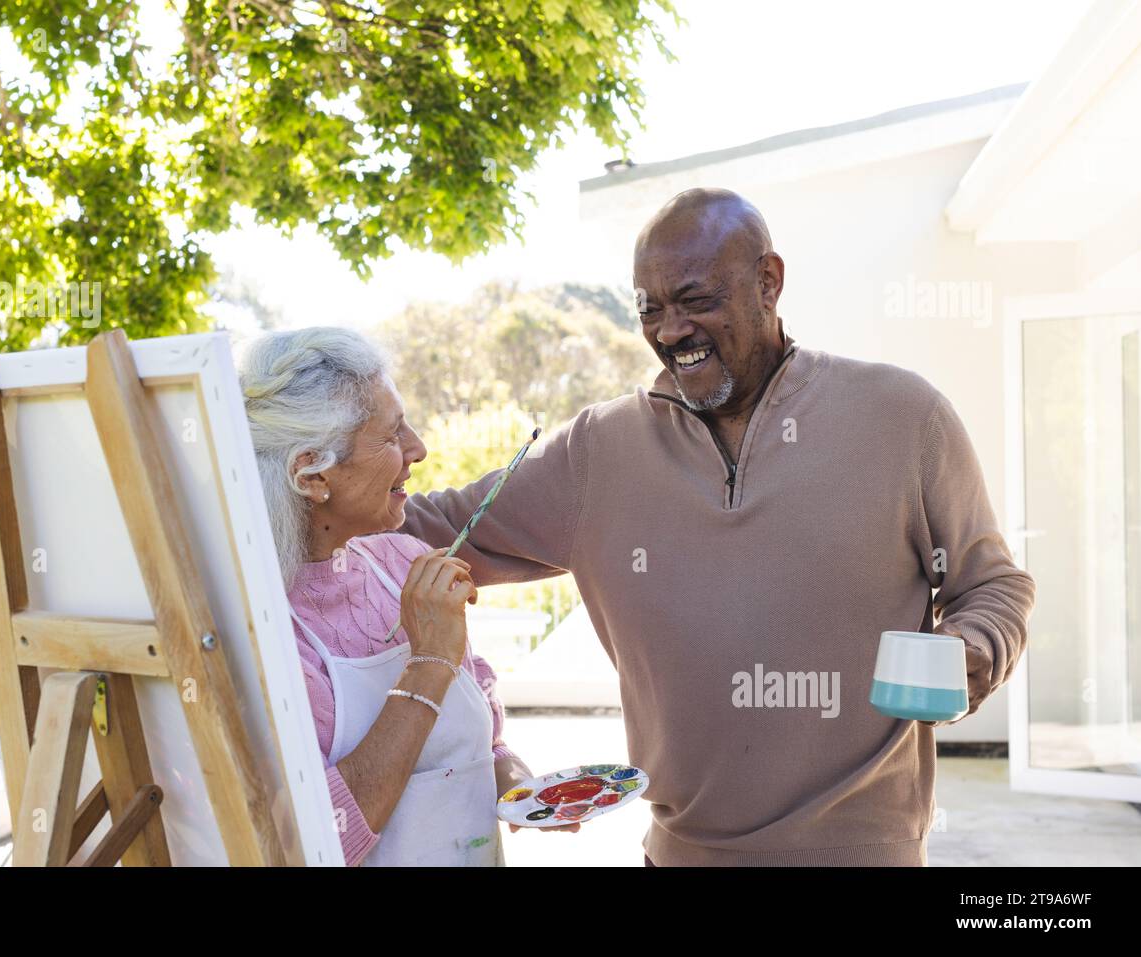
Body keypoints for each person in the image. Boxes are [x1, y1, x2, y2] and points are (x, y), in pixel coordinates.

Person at [403, 187, 1036, 866]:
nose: (670, 330)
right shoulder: (598, 451)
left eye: (696, 300)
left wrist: (977, 649)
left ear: (769, 282)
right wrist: (303, 479)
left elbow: (992, 584)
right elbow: (431, 527)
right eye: (649, 308)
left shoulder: (903, 417)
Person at [239, 327, 575, 867]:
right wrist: (429, 663)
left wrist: (516, 784)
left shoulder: (399, 560)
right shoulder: (264, 630)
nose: (419, 448)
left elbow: (480, 734)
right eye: (392, 436)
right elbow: (314, 841)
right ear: (311, 474)